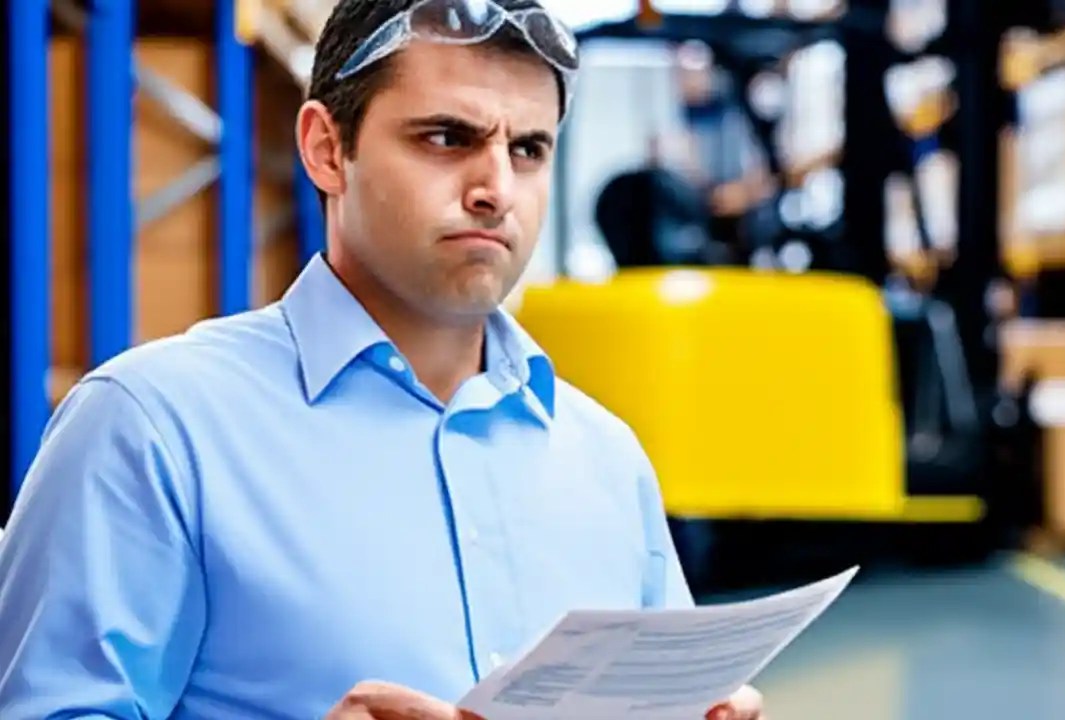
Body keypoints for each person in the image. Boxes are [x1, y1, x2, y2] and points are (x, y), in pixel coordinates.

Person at [0, 1, 766, 718]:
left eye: (529, 149)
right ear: (327, 149)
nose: (497, 190)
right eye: (447, 138)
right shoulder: (153, 429)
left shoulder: (605, 460)